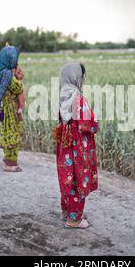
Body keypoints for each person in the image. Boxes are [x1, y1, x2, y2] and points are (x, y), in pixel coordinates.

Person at [53, 63, 99, 228]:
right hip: (78, 147)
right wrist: (96, 123)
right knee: (78, 177)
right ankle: (74, 219)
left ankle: (67, 211)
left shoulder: (62, 95)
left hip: (65, 146)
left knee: (67, 176)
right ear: (76, 78)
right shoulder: (78, 98)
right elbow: (88, 124)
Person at [0, 45, 25, 172]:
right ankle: (10, 163)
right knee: (12, 133)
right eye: (14, 58)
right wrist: (19, 79)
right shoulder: (7, 76)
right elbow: (18, 89)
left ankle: (7, 158)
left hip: (1, 110)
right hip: (9, 110)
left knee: (6, 132)